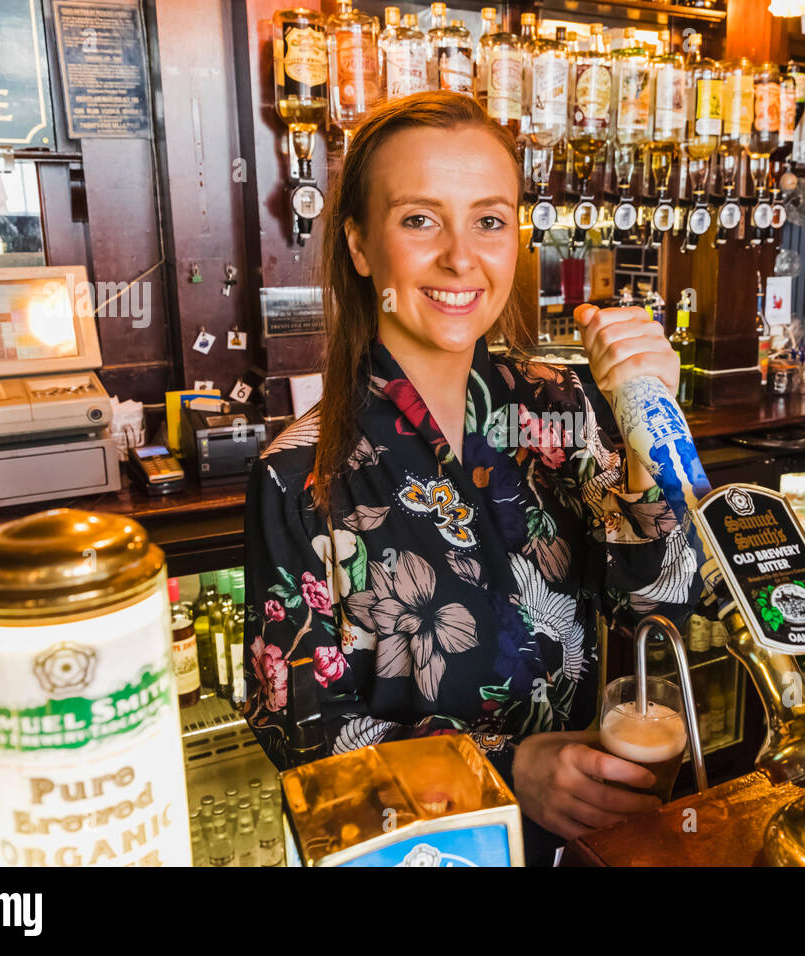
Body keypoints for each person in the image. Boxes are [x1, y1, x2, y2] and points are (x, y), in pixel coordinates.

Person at [242, 91, 702, 865]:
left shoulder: (568, 406)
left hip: (587, 846)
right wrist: (506, 772)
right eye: (419, 219)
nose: (462, 257)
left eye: (489, 220)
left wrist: (649, 424)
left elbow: (663, 599)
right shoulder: (298, 476)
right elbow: (307, 742)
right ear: (359, 246)